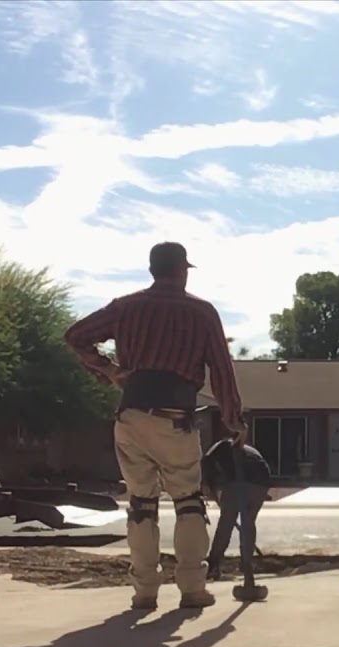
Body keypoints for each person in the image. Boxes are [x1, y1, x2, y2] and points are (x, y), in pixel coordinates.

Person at [64, 241, 246, 612]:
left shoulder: (126, 307)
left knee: (141, 504)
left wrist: (111, 370)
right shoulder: (201, 312)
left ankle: (145, 591)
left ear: (152, 270)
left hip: (131, 416)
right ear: (182, 270)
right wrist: (233, 418)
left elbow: (76, 335)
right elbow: (222, 370)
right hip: (174, 416)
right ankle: (192, 588)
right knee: (188, 501)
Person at [202, 414, 273, 596]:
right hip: (261, 484)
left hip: (240, 482)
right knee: (248, 523)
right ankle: (246, 567)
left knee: (226, 524)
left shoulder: (221, 446)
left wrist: (207, 487)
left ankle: (214, 564)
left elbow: (206, 465)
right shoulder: (247, 449)